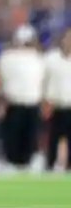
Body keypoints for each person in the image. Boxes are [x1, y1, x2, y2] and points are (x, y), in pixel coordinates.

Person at [0, 25, 44, 168]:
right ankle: (14, 162)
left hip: (31, 102)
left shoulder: (38, 58)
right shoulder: (8, 57)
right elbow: (3, 81)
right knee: (14, 139)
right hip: (14, 102)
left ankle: (24, 162)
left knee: (27, 139)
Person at [44, 30, 71, 171]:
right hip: (55, 105)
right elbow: (44, 80)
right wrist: (45, 100)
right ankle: (50, 165)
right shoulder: (51, 59)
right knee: (53, 138)